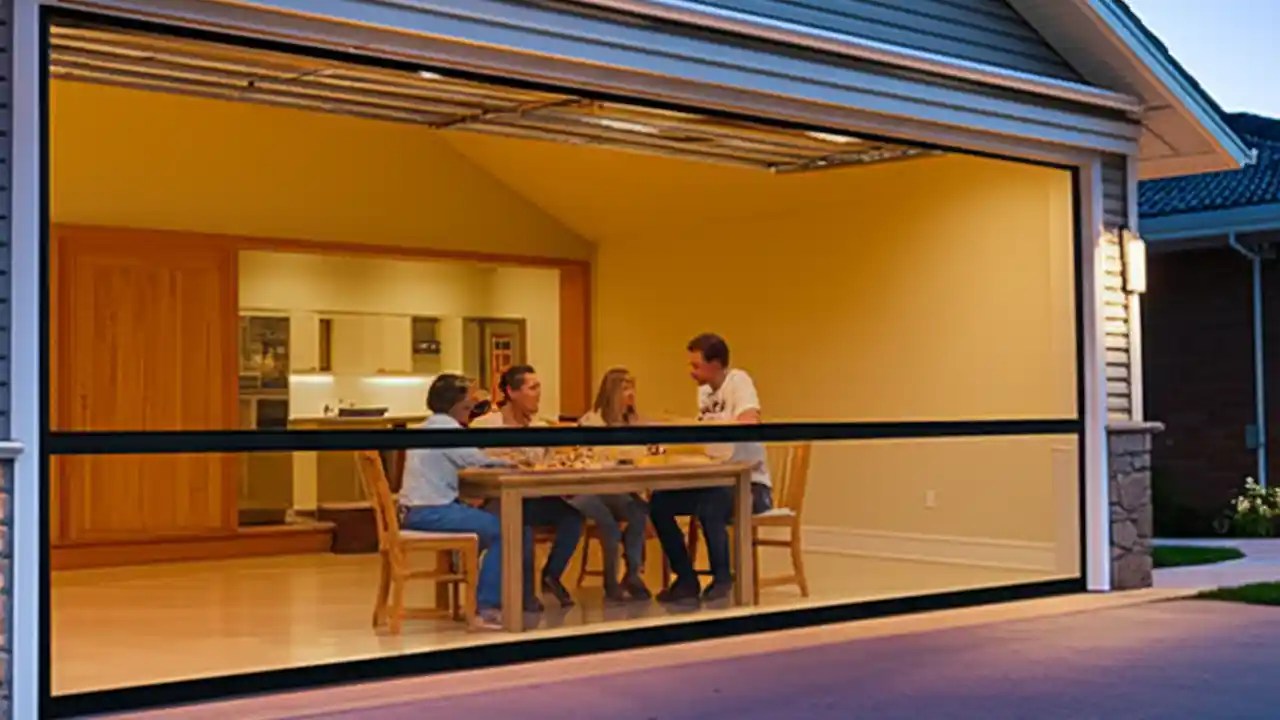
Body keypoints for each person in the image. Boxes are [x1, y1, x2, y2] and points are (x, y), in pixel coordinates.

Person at [650, 333, 773, 604]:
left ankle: (722, 578)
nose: (691, 372)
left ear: (715, 364)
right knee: (659, 503)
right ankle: (685, 578)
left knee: (712, 504)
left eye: (696, 366)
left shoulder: (739, 382)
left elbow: (750, 420)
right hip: (715, 481)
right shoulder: (704, 393)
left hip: (751, 486)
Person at [398, 374, 513, 630]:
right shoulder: (447, 429)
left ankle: (474, 581)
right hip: (431, 511)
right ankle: (485, 607)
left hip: (413, 509)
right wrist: (511, 462)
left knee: (486, 527)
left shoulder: (428, 426)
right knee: (504, 531)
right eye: (470, 398)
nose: (474, 403)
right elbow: (476, 459)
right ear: (456, 403)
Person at [471, 365, 583, 609]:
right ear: (511, 392)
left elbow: (548, 463)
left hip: (534, 495)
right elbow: (473, 466)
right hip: (497, 500)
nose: (538, 394)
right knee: (520, 525)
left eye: (539, 387)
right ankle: (522, 594)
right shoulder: (486, 426)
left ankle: (550, 575)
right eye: (532, 388)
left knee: (573, 518)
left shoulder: (540, 428)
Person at [576, 368, 652, 602]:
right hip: (593, 488)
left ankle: (632, 573)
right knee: (608, 524)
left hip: (622, 488)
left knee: (639, 511)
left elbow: (644, 451)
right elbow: (592, 458)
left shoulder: (633, 422)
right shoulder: (592, 421)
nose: (630, 394)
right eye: (625, 388)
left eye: (632, 388)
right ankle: (610, 579)